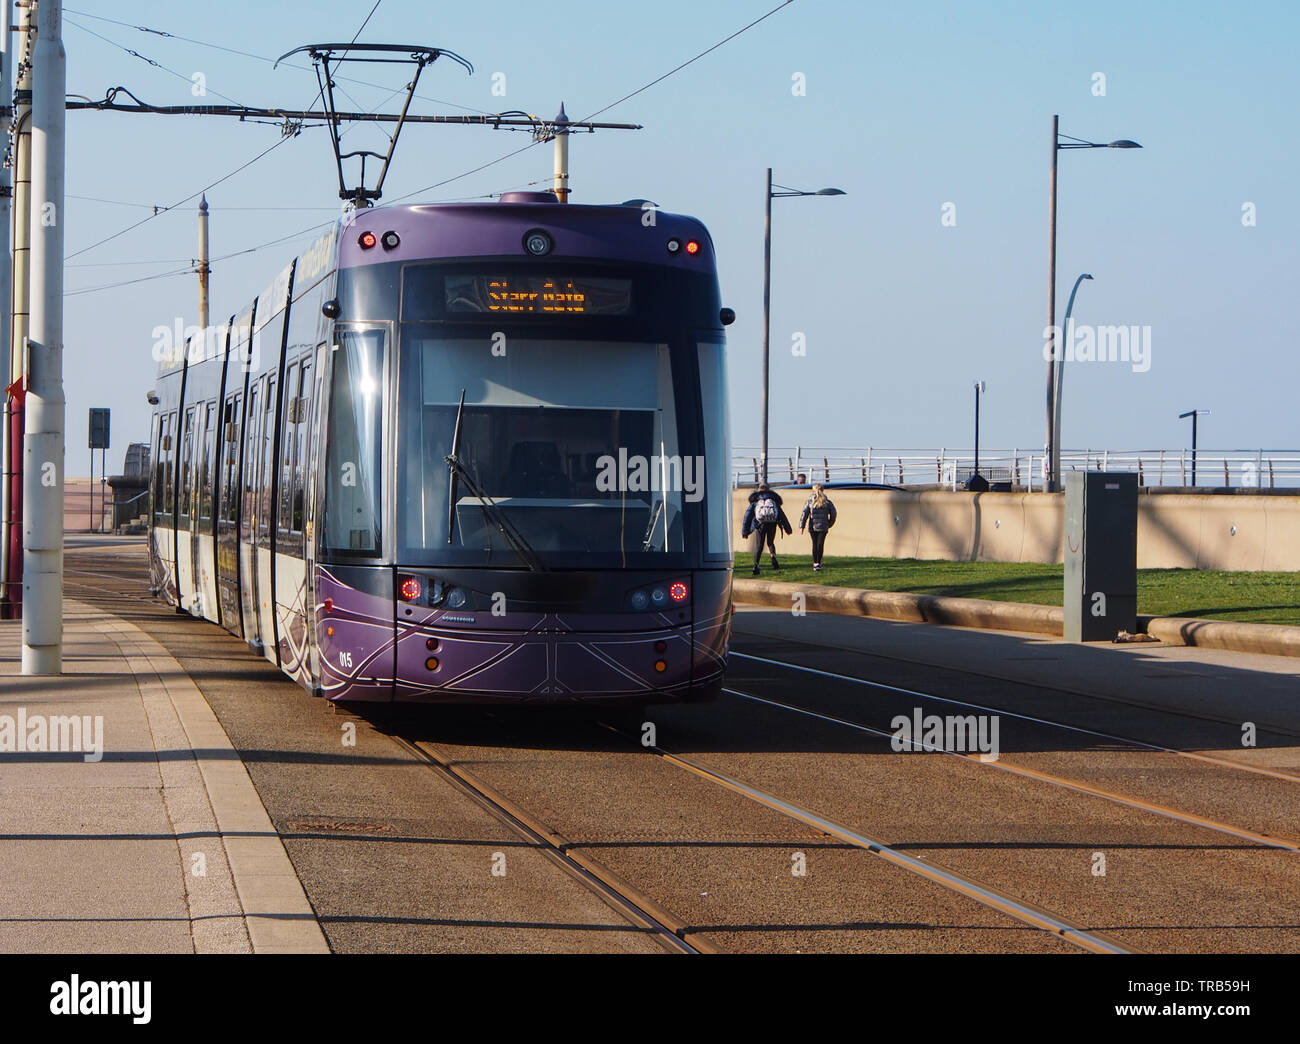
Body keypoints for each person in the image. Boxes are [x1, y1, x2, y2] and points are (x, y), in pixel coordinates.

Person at [740, 483, 792, 575]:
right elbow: (782, 515)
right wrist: (788, 529)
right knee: (770, 542)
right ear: (769, 490)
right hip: (772, 524)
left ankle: (756, 565)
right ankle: (773, 557)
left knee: (759, 545)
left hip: (760, 525)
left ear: (759, 490)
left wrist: (745, 531)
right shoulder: (774, 500)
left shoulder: (755, 501)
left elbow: (747, 516)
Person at [799, 482, 837, 571]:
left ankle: (815, 563)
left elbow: (805, 513)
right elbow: (834, 513)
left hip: (812, 526)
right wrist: (829, 523)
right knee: (820, 544)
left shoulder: (810, 501)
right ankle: (819, 563)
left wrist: (802, 526)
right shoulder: (827, 502)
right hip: (823, 526)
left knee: (814, 544)